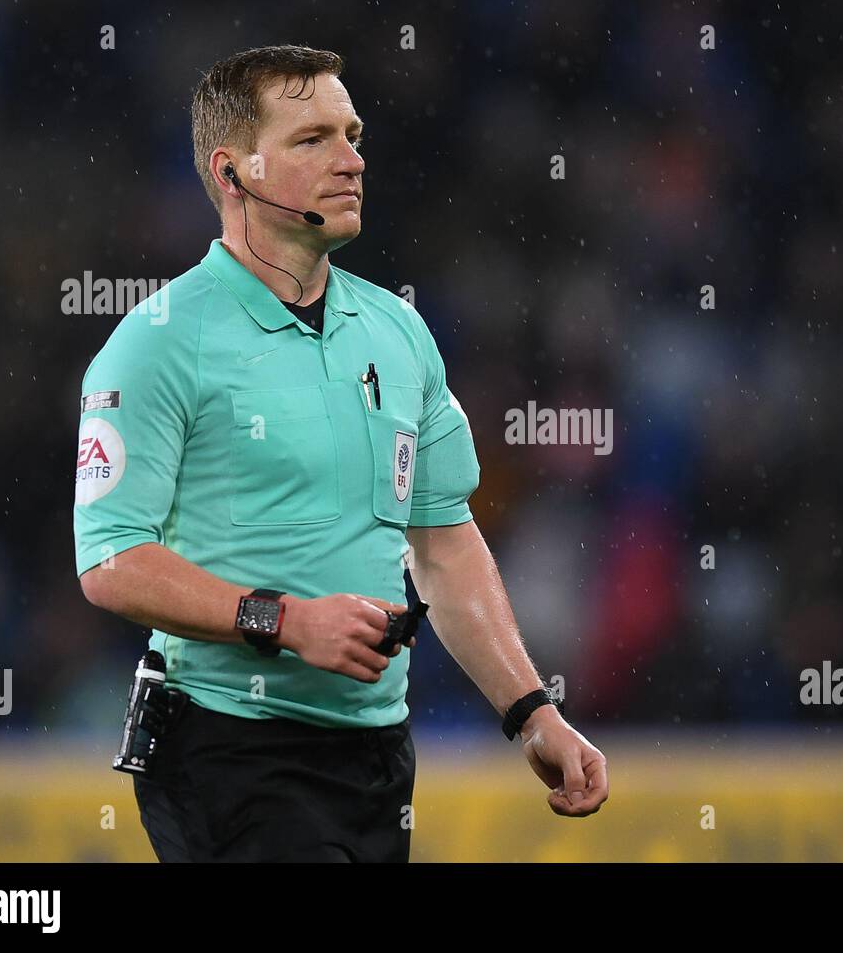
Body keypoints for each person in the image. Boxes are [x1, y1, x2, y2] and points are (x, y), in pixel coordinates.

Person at [73, 44, 608, 862]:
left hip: (377, 755)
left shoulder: (399, 332)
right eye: (312, 138)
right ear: (232, 172)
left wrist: (532, 710)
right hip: (228, 749)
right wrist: (283, 622)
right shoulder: (155, 344)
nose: (352, 160)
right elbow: (110, 560)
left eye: (353, 133)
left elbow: (441, 540)